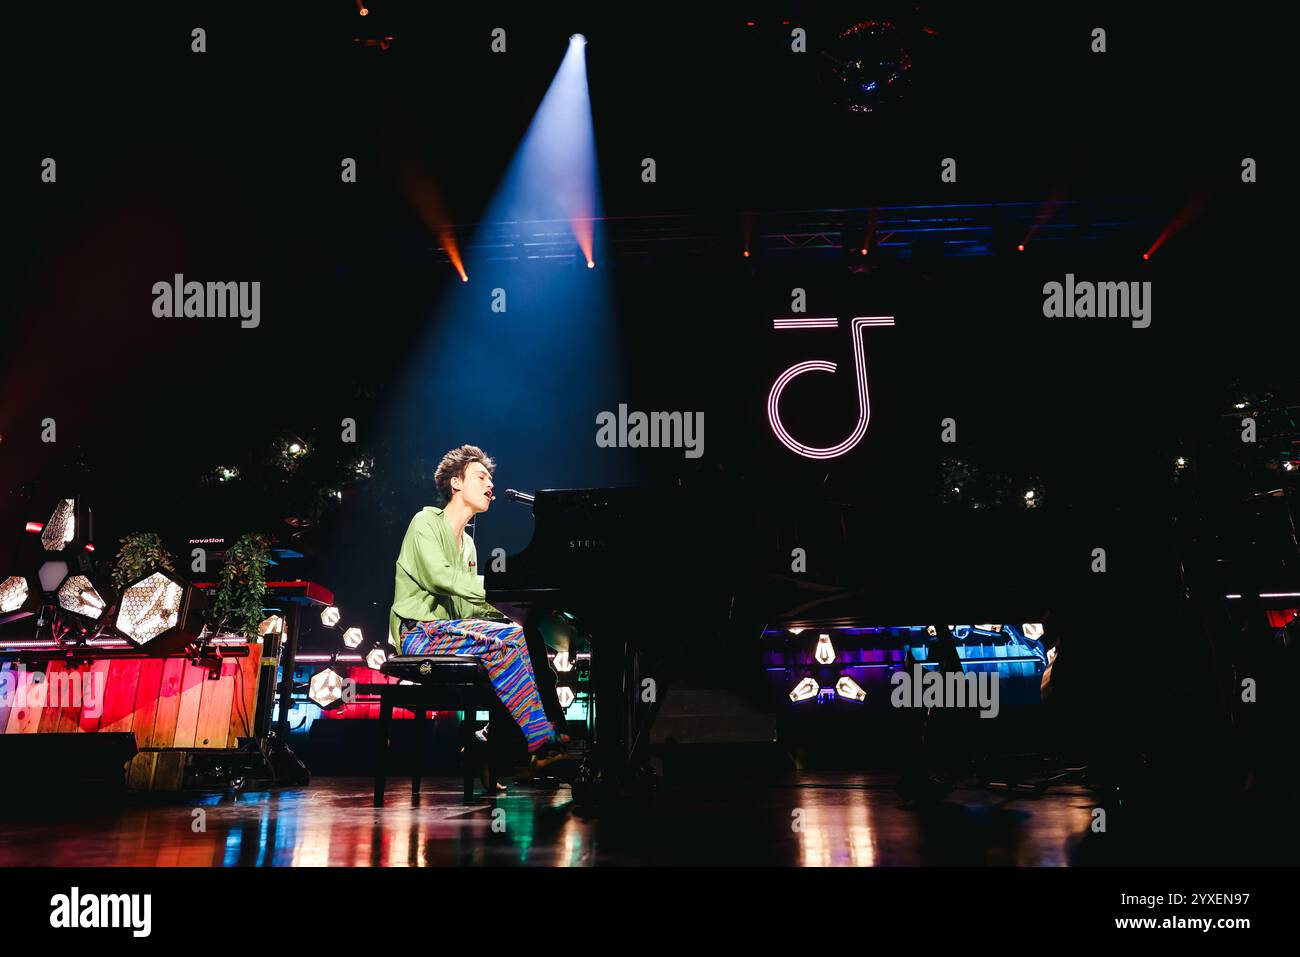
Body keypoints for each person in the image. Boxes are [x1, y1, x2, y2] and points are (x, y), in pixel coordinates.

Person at [389, 444, 570, 772]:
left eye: (491, 479)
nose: (491, 485)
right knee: (505, 647)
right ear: (456, 483)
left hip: (447, 632)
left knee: (519, 636)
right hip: (417, 632)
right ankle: (538, 739)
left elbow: (467, 609)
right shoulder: (425, 522)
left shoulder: (468, 543)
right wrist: (499, 587)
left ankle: (502, 742)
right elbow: (440, 579)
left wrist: (514, 606)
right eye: (481, 476)